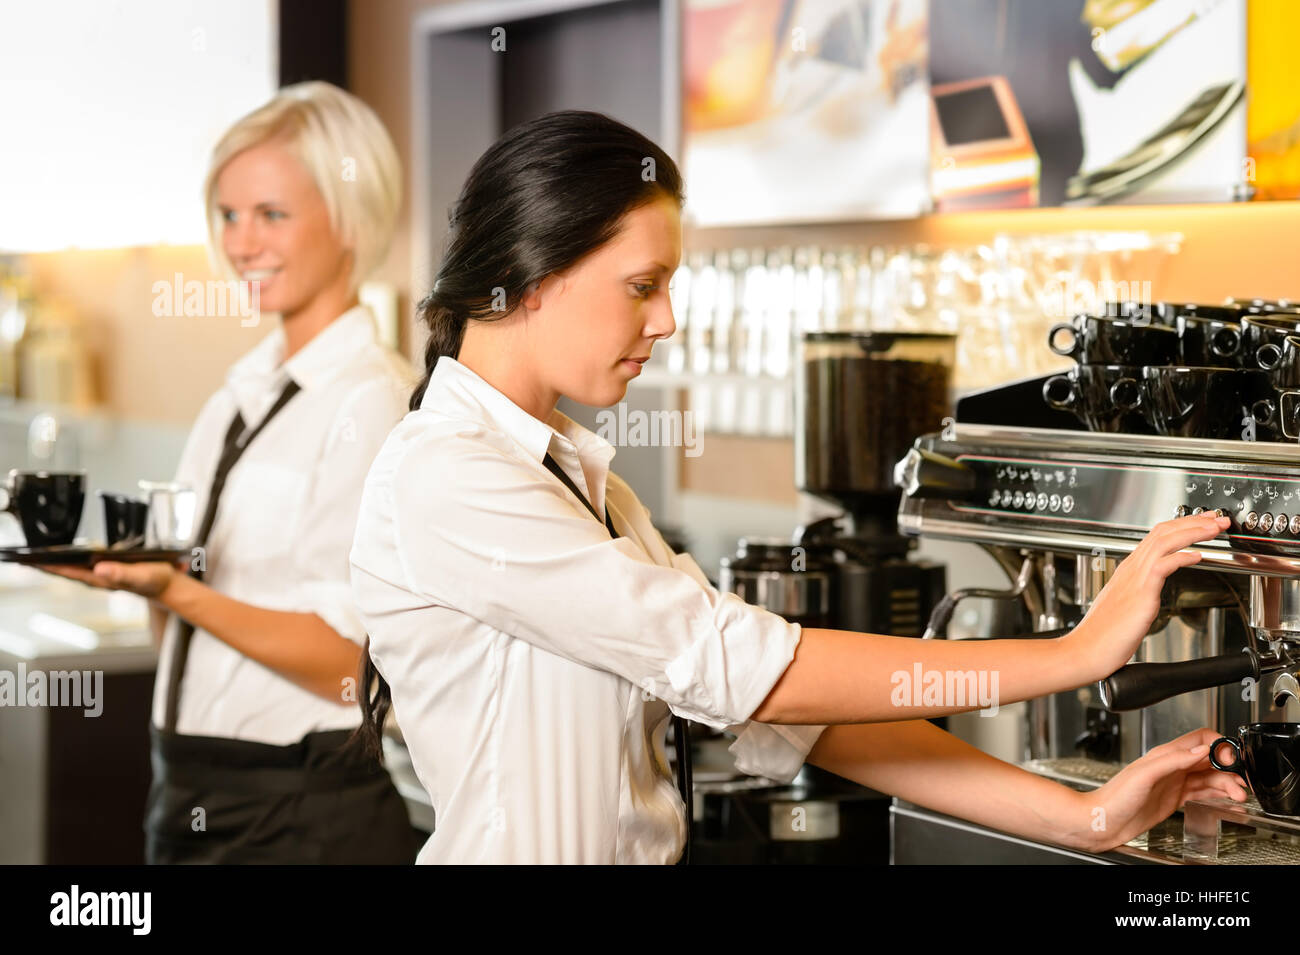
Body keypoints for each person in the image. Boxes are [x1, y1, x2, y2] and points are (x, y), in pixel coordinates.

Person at [348, 110, 1246, 865]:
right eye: (642, 285)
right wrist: (1070, 655)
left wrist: (1082, 817)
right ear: (536, 275)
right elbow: (730, 662)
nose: (666, 320)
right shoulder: (446, 473)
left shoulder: (590, 490)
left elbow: (797, 718)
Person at [40, 82, 419, 864]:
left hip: (299, 812)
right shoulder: (237, 396)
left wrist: (177, 589)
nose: (242, 242)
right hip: (187, 787)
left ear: (350, 218)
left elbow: (353, 666)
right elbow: (192, 613)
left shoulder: (371, 399)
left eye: (272, 214)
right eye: (228, 214)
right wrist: (147, 579)